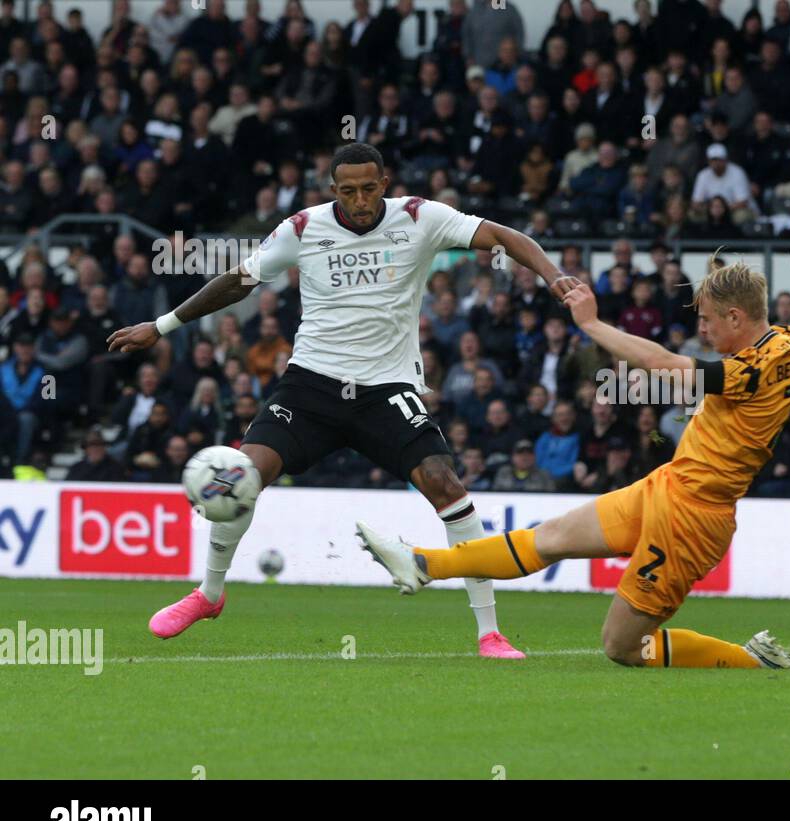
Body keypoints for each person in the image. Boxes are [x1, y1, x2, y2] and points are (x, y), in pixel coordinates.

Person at [107, 143, 580, 658]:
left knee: (447, 484)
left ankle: (489, 632)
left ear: (384, 182)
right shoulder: (304, 228)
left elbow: (505, 237)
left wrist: (554, 277)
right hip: (312, 386)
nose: (359, 200)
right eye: (348, 190)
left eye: (369, 188)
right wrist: (161, 325)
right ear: (333, 189)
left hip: (388, 389)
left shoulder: (420, 217)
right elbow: (239, 281)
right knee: (237, 476)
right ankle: (209, 595)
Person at [358, 262, 790, 669]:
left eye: (706, 320)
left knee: (621, 648)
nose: (700, 329)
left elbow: (665, 365)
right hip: (668, 486)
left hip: (693, 519)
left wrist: (593, 326)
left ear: (733, 316)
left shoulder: (753, 368)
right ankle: (422, 563)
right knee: (549, 538)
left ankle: (755, 662)